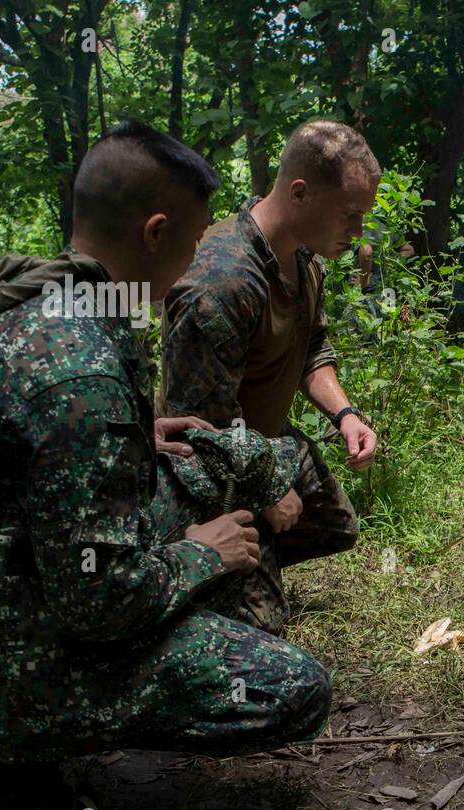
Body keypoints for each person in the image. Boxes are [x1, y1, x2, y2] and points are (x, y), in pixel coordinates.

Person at [0, 122, 330, 810]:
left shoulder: (47, 302)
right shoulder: (81, 372)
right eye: (193, 244)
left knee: (198, 468)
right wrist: (200, 557)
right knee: (295, 686)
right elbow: (96, 603)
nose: (197, 261)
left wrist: (136, 434)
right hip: (20, 669)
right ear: (155, 233)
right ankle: (37, 748)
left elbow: (35, 455)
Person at [159, 120, 381, 634]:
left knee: (334, 524)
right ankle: (196, 562)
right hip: (208, 468)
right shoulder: (220, 281)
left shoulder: (304, 259)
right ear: (300, 193)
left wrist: (344, 414)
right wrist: (266, 490)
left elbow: (312, 349)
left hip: (266, 442)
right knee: (263, 634)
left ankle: (260, 547)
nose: (358, 232)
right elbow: (196, 429)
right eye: (350, 215)